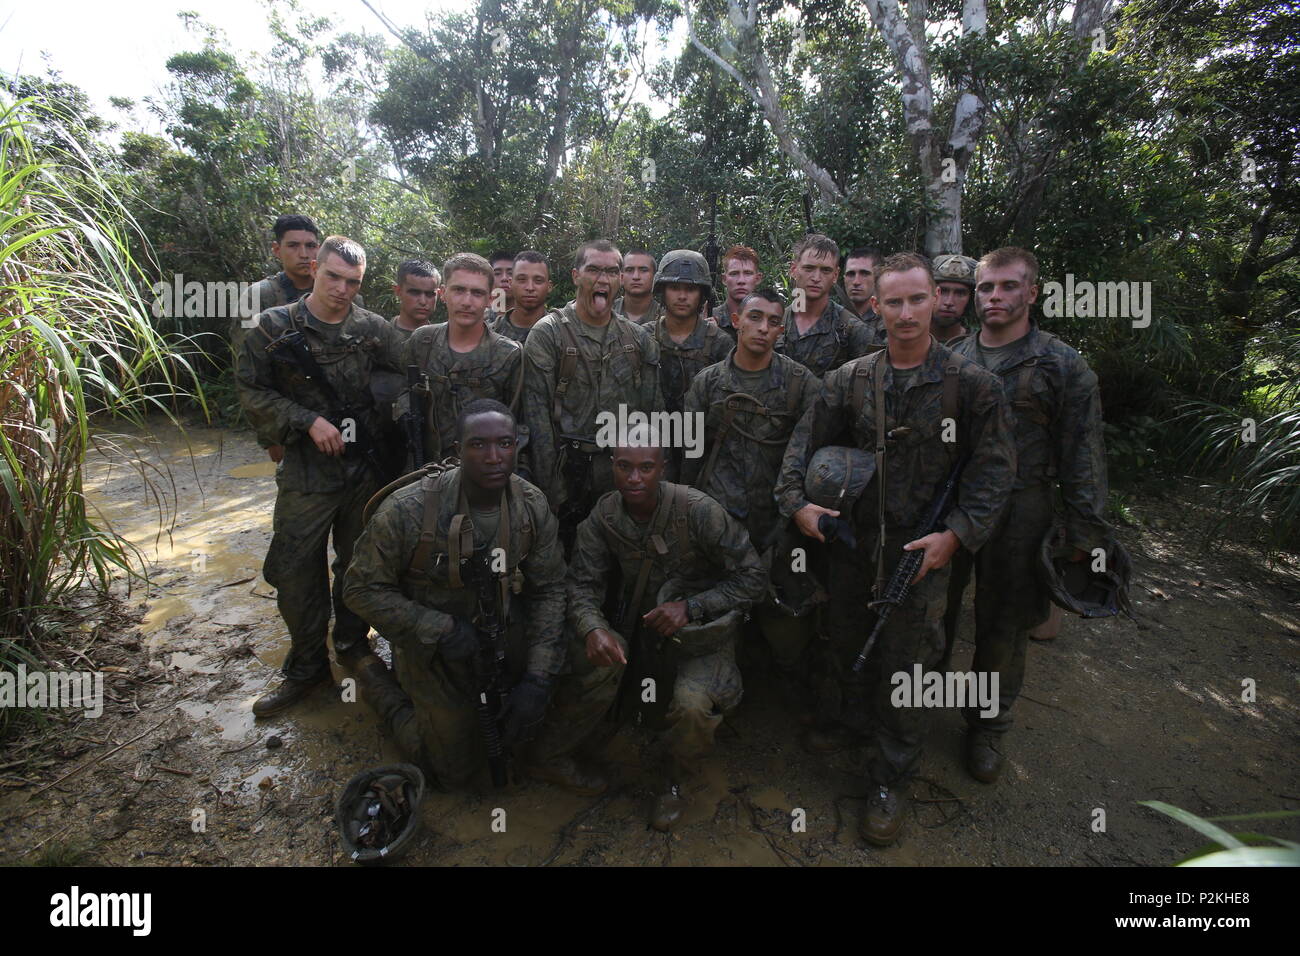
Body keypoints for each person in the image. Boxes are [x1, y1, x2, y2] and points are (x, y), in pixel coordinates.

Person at [775, 251, 1015, 846]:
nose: (905, 313)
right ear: (875, 307)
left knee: (908, 666)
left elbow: (993, 476)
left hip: (924, 554)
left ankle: (891, 776)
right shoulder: (850, 379)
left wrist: (955, 535)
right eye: (893, 302)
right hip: (855, 547)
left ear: (937, 299)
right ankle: (855, 724)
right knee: (850, 641)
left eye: (917, 299)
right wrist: (800, 507)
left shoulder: (975, 387)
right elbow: (799, 454)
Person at [529, 433, 766, 830]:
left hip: (702, 632)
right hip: (642, 630)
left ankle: (674, 782)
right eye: (624, 466)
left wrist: (692, 607)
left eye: (646, 467)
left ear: (663, 469)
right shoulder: (604, 517)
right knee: (600, 664)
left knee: (691, 705)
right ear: (612, 466)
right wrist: (592, 629)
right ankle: (560, 749)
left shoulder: (698, 511)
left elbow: (754, 579)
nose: (634, 478)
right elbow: (582, 585)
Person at [943, 247, 1109, 782]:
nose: (995, 297)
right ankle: (914, 706)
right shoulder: (953, 357)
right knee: (933, 610)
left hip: (1022, 506)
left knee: (1005, 622)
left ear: (1031, 292)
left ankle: (987, 727)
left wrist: (1084, 531)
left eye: (1008, 286)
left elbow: (1083, 452)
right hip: (953, 502)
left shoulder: (1062, 364)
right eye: (986, 287)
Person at [343, 399, 569, 790]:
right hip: (430, 642)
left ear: (517, 447)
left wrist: (536, 676)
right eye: (478, 445)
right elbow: (360, 589)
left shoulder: (531, 505)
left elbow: (550, 589)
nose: (494, 457)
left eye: (505, 444)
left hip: (498, 628)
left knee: (550, 696)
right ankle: (371, 674)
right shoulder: (408, 510)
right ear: (457, 451)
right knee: (452, 773)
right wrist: (440, 628)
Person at [236, 236, 405, 716]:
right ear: (315, 270)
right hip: (307, 474)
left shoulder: (374, 330)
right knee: (293, 571)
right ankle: (307, 666)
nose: (342, 289)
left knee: (357, 565)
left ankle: (352, 644)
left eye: (353, 282)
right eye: (333, 276)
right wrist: (305, 420)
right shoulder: (272, 327)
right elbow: (250, 391)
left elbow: (411, 377)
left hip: (363, 473)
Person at [683, 288, 820, 698]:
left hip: (780, 522)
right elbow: (690, 456)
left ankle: (783, 686)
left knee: (787, 620)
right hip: (720, 518)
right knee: (716, 611)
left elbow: (816, 452)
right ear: (737, 320)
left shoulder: (800, 385)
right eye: (755, 317)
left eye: (773, 321)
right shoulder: (708, 383)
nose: (763, 328)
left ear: (782, 328)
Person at [519, 240, 663, 557]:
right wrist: (549, 493)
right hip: (566, 475)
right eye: (594, 270)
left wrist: (652, 488)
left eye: (612, 271)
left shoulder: (638, 339)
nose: (603, 280)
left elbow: (654, 416)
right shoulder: (548, 334)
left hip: (623, 476)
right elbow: (537, 418)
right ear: (575, 276)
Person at [404, 253, 523, 460]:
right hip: (426, 470)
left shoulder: (509, 355)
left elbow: (520, 424)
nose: (467, 302)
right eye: (459, 290)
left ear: (489, 299)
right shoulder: (422, 342)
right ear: (442, 294)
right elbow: (400, 388)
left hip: (485, 471)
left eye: (477, 293)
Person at [233, 214, 322, 464]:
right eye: (293, 246)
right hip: (288, 421)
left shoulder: (338, 291)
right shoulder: (258, 297)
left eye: (311, 245)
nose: (304, 254)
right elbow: (247, 375)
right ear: (276, 250)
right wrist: (271, 437)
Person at [776, 233, 878, 377]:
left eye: (825, 270)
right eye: (809, 268)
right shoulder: (774, 323)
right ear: (793, 270)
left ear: (835, 275)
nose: (816, 278)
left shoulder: (851, 329)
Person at [491, 250, 553, 345]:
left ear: (549, 286)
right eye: (522, 280)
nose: (530, 287)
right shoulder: (491, 332)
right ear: (510, 283)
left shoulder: (560, 333)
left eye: (538, 280)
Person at [710, 245, 764, 340]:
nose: (741, 281)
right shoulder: (710, 318)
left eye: (748, 273)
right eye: (734, 274)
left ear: (758, 278)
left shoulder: (767, 321)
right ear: (724, 279)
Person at [931, 254, 979, 345]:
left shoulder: (982, 345)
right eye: (942, 291)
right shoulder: (904, 340)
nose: (949, 302)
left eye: (960, 293)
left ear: (970, 299)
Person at [390, 259, 441, 341]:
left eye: (430, 294)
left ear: (438, 294)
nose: (423, 302)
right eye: (415, 293)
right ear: (398, 291)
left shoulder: (444, 340)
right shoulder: (380, 336)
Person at [612, 248, 662, 325]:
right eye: (629, 270)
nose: (636, 277)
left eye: (643, 270)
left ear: (654, 277)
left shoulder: (667, 318)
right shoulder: (605, 312)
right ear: (621, 277)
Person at [843, 247, 883, 333]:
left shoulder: (888, 321)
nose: (856, 282)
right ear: (844, 278)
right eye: (851, 274)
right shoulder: (834, 318)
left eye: (864, 274)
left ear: (877, 278)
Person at [488, 250, 515, 319]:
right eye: (497, 273)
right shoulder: (478, 319)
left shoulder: (537, 319)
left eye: (510, 273)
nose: (504, 278)